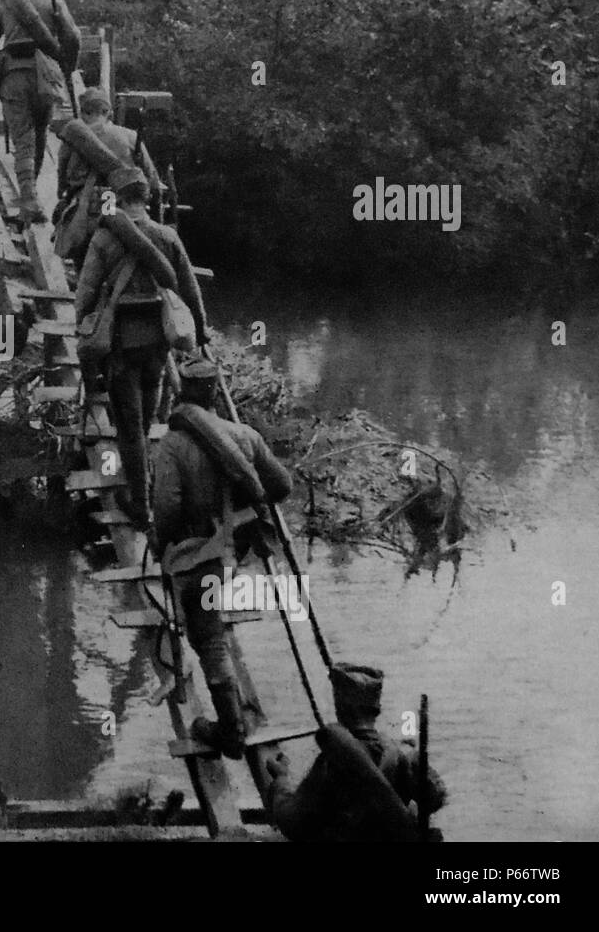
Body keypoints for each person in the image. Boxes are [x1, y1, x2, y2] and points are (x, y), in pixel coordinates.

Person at [151, 357, 292, 758]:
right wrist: (238, 517)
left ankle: (229, 729)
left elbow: (166, 509)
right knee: (211, 632)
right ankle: (233, 721)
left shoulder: (173, 445)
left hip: (191, 558)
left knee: (207, 638)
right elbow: (281, 485)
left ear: (183, 393)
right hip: (227, 557)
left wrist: (161, 545)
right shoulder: (243, 436)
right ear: (215, 392)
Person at [75, 177, 210, 530]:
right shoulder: (167, 236)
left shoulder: (105, 237)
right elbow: (190, 291)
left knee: (129, 427)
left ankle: (141, 505)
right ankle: (150, 491)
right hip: (158, 347)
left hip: (120, 348)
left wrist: (84, 329)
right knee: (148, 419)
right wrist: (202, 329)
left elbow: (86, 293)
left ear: (118, 198)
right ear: (147, 200)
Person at [265, 663, 448, 841]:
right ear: (377, 710)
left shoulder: (333, 760)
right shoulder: (398, 753)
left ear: (340, 708)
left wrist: (280, 781)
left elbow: (293, 823)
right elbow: (435, 798)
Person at [0, 0, 81, 224]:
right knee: (40, 133)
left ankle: (29, 200)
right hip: (47, 76)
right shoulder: (55, 2)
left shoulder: (8, 5)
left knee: (23, 138)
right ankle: (32, 196)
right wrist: (69, 66)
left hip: (14, 76)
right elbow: (73, 37)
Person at [54, 87, 164, 265]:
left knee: (65, 226)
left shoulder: (73, 136)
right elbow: (152, 180)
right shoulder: (131, 136)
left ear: (83, 112)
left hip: (88, 205)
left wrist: (63, 196)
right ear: (109, 113)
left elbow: (62, 179)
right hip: (123, 205)